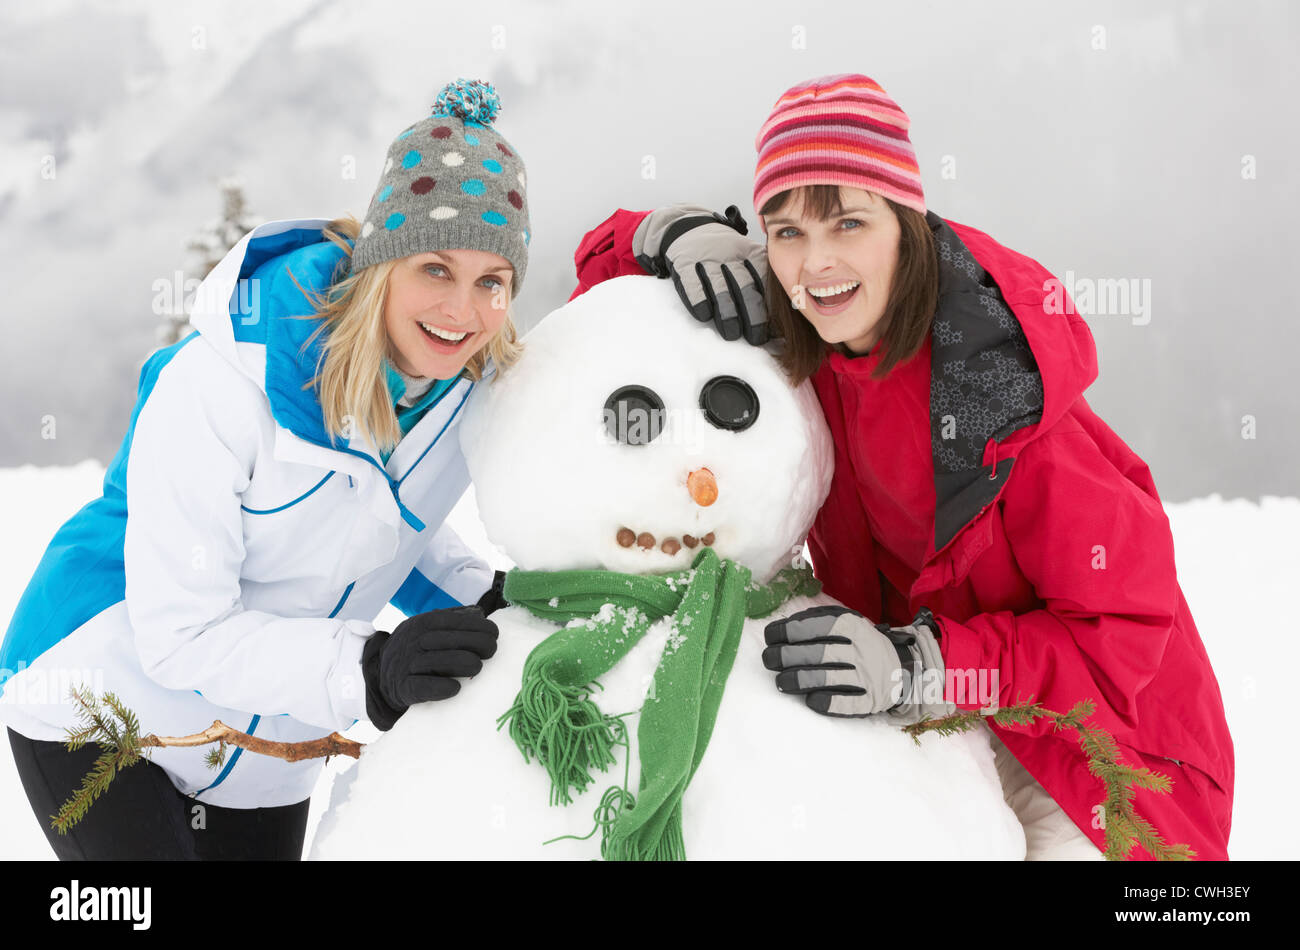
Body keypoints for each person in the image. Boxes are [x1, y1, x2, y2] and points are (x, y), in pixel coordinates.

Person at [566, 73, 1233, 861]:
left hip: (1098, 758)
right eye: (786, 232)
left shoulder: (1001, 395)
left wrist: (924, 665)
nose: (816, 265)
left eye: (848, 223)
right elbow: (609, 312)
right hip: (908, 703)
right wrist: (676, 234)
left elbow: (1118, 638)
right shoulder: (802, 330)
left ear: (907, 222)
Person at [0, 78, 524, 860]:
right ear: (383, 263)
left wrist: (491, 598)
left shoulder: (455, 391)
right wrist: (372, 669)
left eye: (492, 282)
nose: (463, 311)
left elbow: (385, 520)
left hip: (273, 746)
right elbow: (180, 635)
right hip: (100, 700)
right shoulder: (222, 385)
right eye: (435, 269)